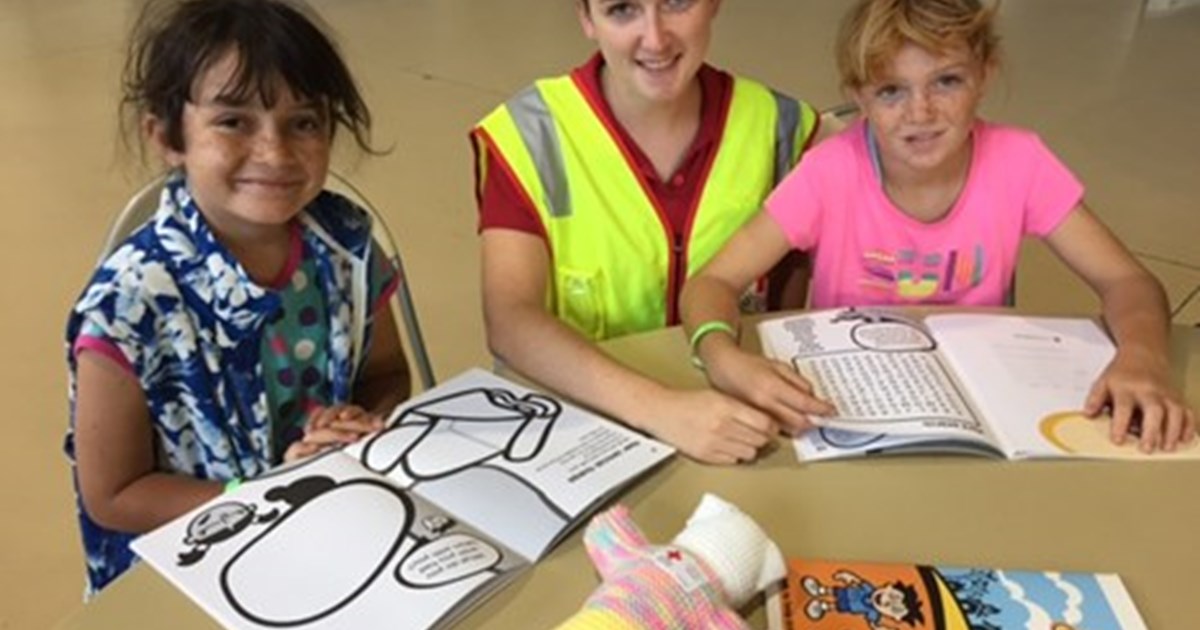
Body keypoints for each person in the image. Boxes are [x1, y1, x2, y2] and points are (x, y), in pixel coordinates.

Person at [680, 0, 1196, 453]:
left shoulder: (1021, 163)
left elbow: (1127, 281)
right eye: (891, 91)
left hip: (985, 410)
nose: (920, 112)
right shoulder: (829, 173)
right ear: (859, 97)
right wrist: (721, 354)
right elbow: (712, 282)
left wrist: (1144, 357)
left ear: (984, 76)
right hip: (849, 403)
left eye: (946, 81)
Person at [65, 0, 411, 595]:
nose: (275, 153)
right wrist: (269, 495)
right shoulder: (128, 304)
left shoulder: (348, 247)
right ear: (167, 135)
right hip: (189, 569)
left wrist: (354, 420)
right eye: (233, 122)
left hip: (330, 528)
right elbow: (115, 496)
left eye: (304, 121)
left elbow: (387, 373)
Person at [471, 0, 829, 465]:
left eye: (677, 3)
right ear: (585, 17)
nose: (656, 38)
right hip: (582, 428)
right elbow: (510, 319)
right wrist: (661, 410)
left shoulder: (785, 127)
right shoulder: (527, 135)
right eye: (622, 10)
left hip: (746, 430)